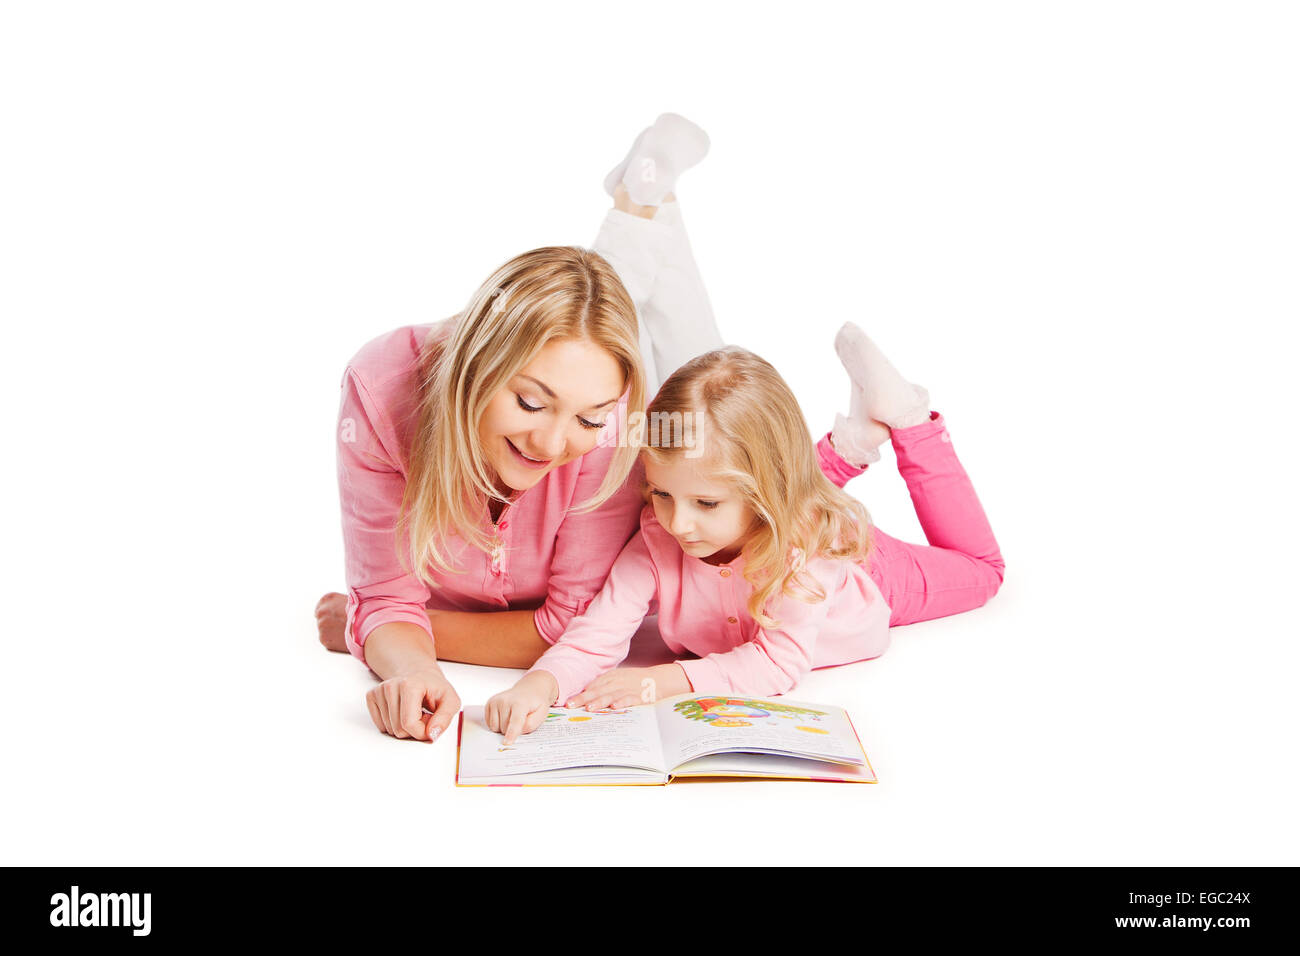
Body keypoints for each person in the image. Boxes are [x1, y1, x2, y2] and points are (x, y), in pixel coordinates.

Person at [317, 114, 721, 742]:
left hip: (660, 426)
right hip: (562, 364)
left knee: (701, 377)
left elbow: (568, 629)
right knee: (580, 319)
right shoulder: (380, 393)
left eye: (587, 417)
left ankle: (638, 207)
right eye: (529, 405)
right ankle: (639, 203)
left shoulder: (613, 426)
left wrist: (375, 627)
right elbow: (388, 604)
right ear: (479, 361)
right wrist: (405, 657)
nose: (553, 445)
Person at [483, 327, 1006, 744]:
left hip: (870, 570)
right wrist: (538, 685)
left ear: (761, 494)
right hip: (781, 509)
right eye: (661, 493)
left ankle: (909, 420)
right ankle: (851, 443)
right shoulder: (662, 535)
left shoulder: (806, 553)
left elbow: (779, 663)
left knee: (984, 572)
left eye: (705, 503)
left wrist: (664, 682)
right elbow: (598, 634)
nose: (678, 523)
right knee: (747, 495)